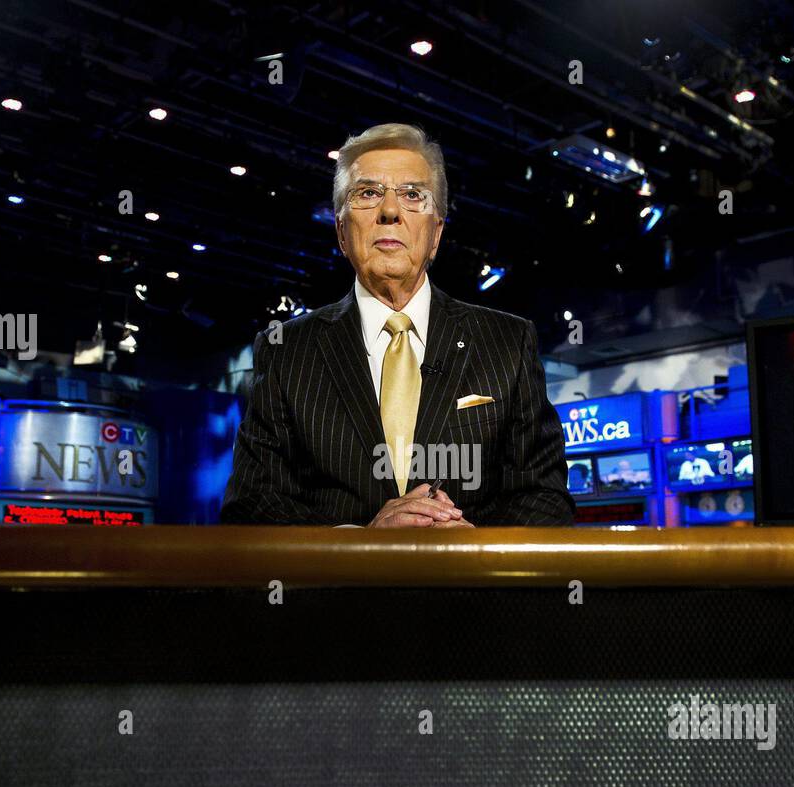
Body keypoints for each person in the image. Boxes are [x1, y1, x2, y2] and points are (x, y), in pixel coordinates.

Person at [222, 122, 574, 527]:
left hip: (471, 589)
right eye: (368, 193)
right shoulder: (286, 350)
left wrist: (476, 549)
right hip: (343, 591)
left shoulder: (508, 342)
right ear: (341, 231)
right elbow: (252, 506)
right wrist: (362, 546)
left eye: (412, 195)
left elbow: (547, 499)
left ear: (436, 233)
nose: (390, 212)